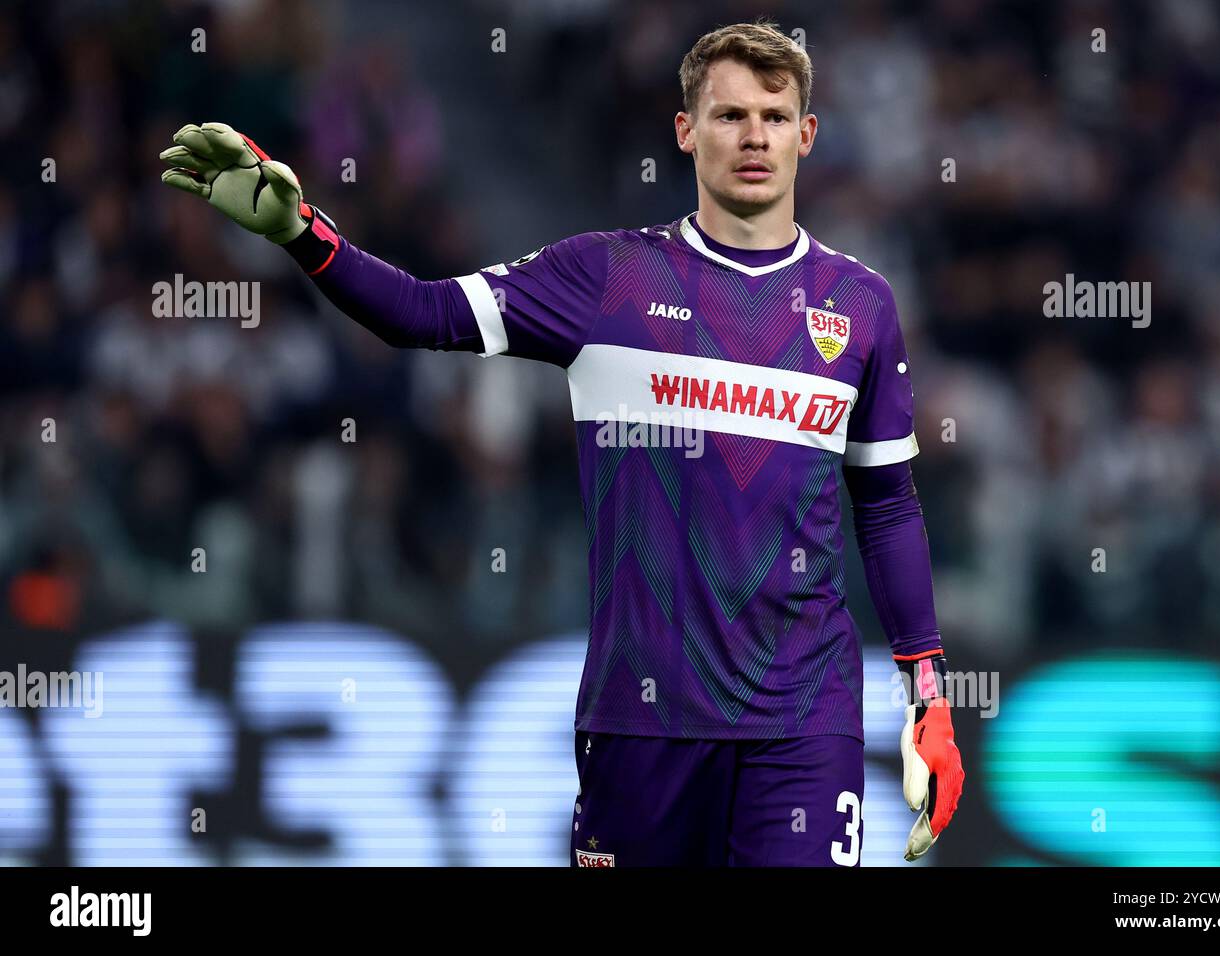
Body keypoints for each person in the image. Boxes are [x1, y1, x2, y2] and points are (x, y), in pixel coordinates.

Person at [159, 19, 963, 867]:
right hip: (639, 723)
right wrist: (302, 233)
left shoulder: (860, 306)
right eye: (728, 116)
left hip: (805, 723)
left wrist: (929, 692)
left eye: (773, 115)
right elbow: (421, 313)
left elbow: (886, 506)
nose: (753, 136)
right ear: (685, 131)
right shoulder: (603, 278)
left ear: (806, 133)